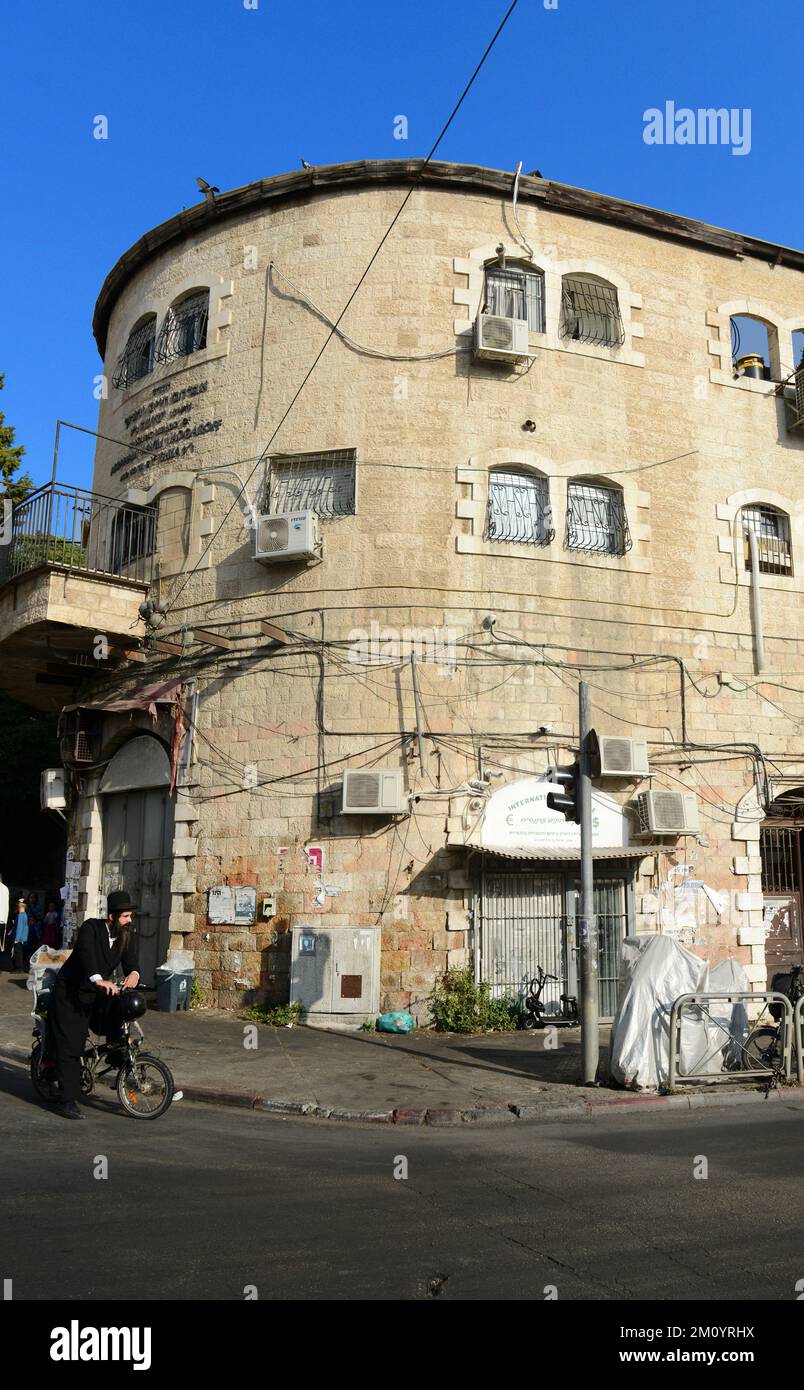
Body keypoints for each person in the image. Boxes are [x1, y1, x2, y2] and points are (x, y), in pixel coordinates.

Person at [46, 890, 141, 1120]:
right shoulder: (91, 928)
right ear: (112, 916)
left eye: (130, 916)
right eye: (126, 916)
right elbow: (86, 956)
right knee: (72, 1045)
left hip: (97, 992)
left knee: (122, 1008)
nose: (130, 921)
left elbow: (130, 963)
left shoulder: (125, 935)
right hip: (71, 994)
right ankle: (66, 1100)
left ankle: (116, 1054)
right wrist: (98, 979)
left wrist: (135, 974)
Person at [12, 897, 30, 973]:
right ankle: (18, 967)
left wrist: (17, 939)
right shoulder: (24, 915)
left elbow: (19, 928)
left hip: (19, 938)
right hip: (23, 938)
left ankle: (18, 968)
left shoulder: (20, 915)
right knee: (19, 953)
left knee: (17, 953)